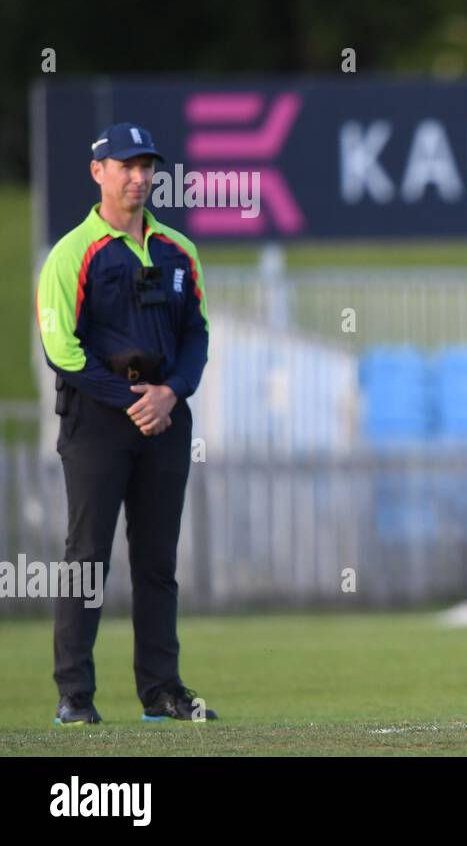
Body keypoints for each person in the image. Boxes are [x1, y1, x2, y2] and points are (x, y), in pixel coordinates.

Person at [36, 122, 215, 725]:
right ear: (99, 172)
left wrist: (170, 393)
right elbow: (60, 347)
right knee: (88, 557)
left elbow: (197, 334)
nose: (138, 178)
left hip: (165, 420)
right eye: (125, 166)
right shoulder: (72, 252)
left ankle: (162, 691)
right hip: (96, 422)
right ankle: (75, 698)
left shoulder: (178, 251)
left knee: (158, 562)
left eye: (146, 167)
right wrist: (130, 398)